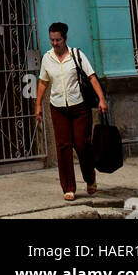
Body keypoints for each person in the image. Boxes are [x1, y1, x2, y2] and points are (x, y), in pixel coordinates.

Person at [35, 22, 107, 201]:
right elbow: (43, 81)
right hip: (58, 107)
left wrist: (102, 99)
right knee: (63, 147)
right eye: (51, 39)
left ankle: (90, 179)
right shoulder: (47, 58)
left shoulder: (77, 55)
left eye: (58, 39)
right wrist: (38, 105)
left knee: (82, 144)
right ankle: (68, 187)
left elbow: (91, 77)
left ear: (65, 38)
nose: (54, 43)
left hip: (79, 107)